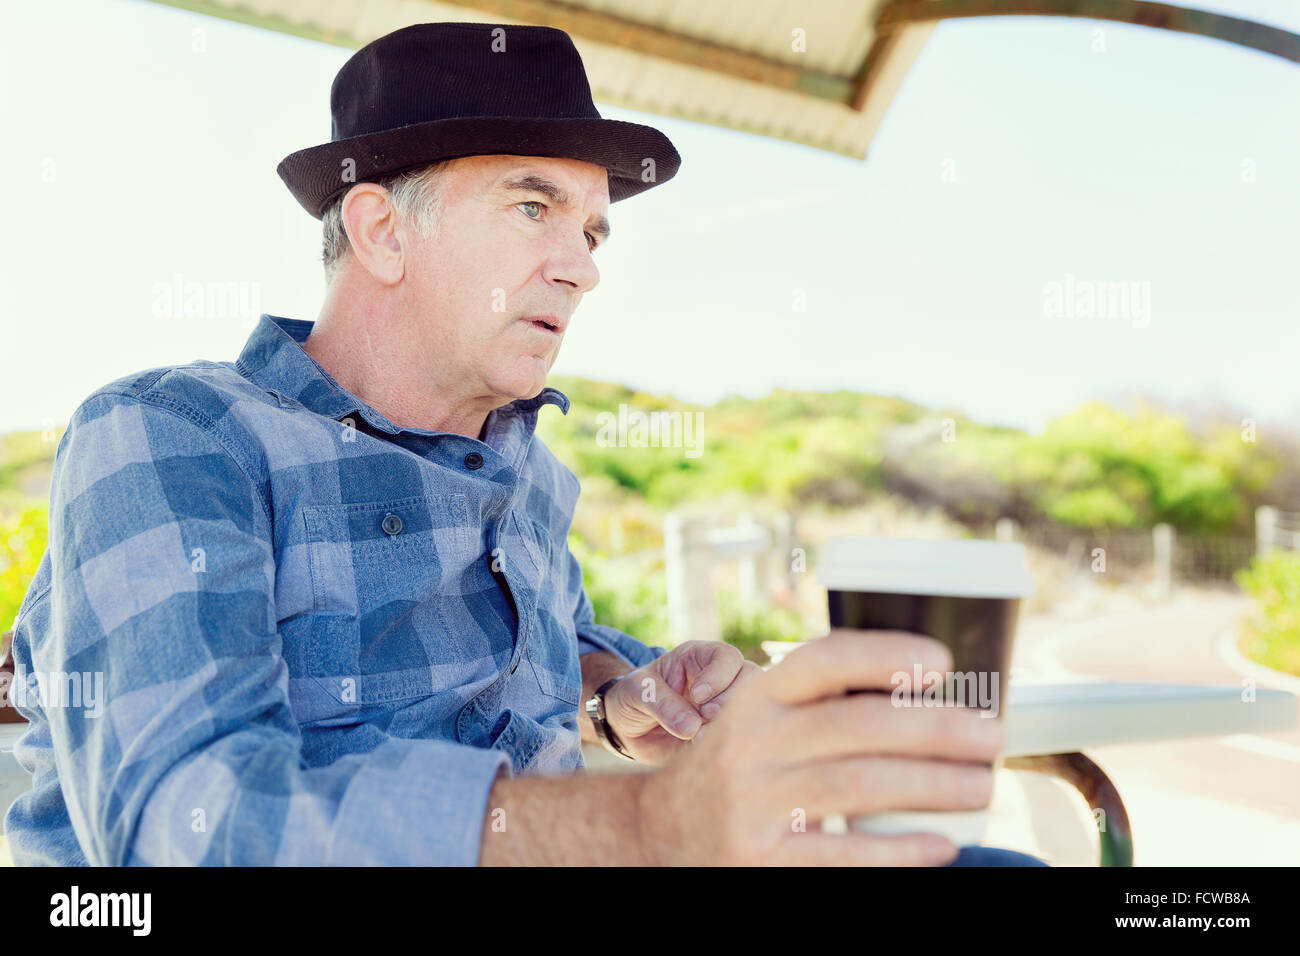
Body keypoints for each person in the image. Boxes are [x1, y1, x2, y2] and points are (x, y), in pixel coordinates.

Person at [4, 22, 1045, 867]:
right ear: (380, 232)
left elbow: (549, 644)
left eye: (591, 230)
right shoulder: (170, 436)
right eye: (533, 205)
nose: (581, 266)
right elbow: (181, 825)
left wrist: (623, 689)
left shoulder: (531, 472)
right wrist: (652, 826)